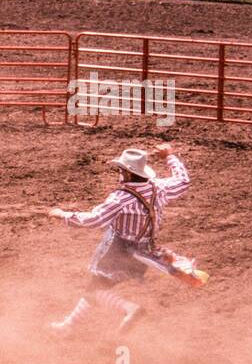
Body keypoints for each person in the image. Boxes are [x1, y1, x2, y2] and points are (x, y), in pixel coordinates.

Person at [47, 143, 203, 334]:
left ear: (127, 174)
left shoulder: (121, 198)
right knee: (97, 286)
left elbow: (95, 219)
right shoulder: (158, 188)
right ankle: (67, 326)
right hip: (145, 251)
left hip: (119, 250)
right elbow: (183, 181)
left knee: (94, 289)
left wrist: (63, 215)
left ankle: (129, 309)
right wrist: (170, 156)